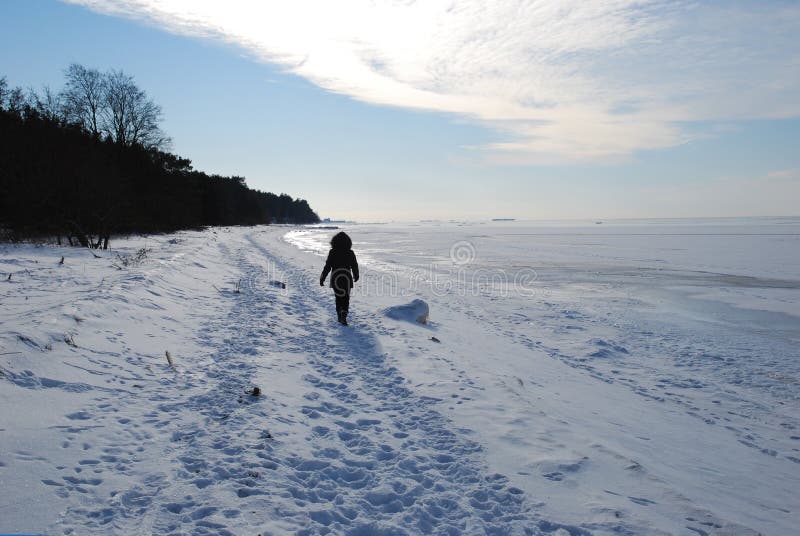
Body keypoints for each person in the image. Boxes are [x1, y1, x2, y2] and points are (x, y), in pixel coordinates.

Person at [320, 231, 359, 325]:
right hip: (347, 277)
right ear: (348, 242)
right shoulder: (350, 252)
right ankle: (344, 314)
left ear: (334, 242)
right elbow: (354, 265)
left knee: (338, 297)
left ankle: (339, 315)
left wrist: (322, 277)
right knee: (346, 297)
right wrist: (356, 275)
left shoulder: (332, 252)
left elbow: (328, 266)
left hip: (336, 277)